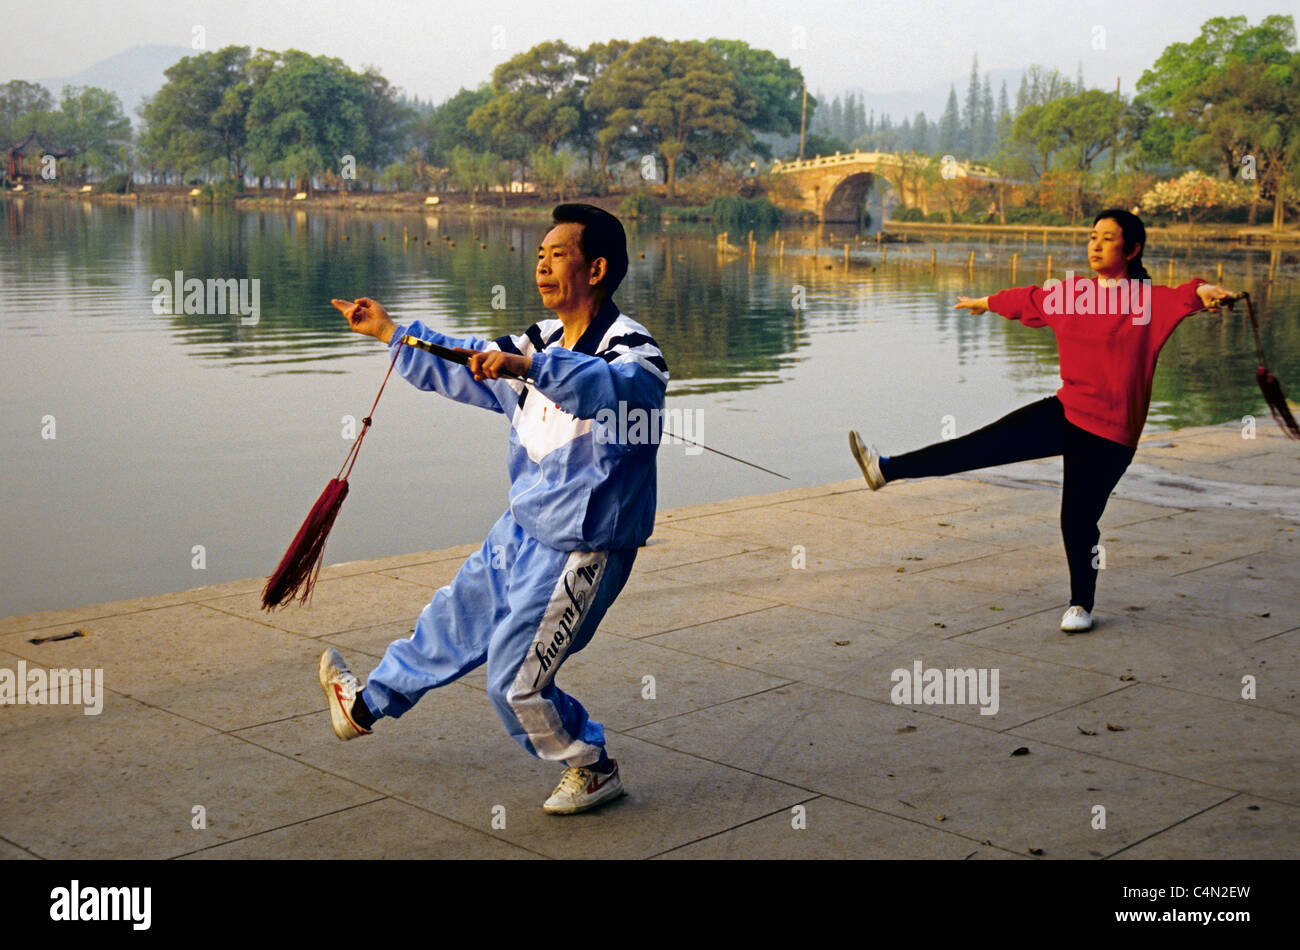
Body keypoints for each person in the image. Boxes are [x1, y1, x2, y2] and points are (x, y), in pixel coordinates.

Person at [319, 204, 668, 815]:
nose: (542, 264)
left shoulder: (633, 348)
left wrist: (532, 367)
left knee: (514, 680)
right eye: (539, 255)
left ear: (598, 268)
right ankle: (364, 705)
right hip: (522, 529)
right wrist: (390, 332)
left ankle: (591, 767)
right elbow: (469, 360)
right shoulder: (538, 338)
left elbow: (623, 391)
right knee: (453, 619)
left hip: (583, 547)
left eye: (557, 254)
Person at [849, 209, 1237, 633]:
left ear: (1132, 249)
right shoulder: (1075, 294)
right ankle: (885, 468)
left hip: (1111, 433)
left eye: (1107, 238)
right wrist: (987, 302)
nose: (1096, 244)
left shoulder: (1147, 303)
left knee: (1077, 519)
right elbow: (1029, 299)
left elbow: (1188, 293)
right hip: (1067, 410)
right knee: (979, 445)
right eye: (1093, 237)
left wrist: (1207, 291)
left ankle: (1081, 606)